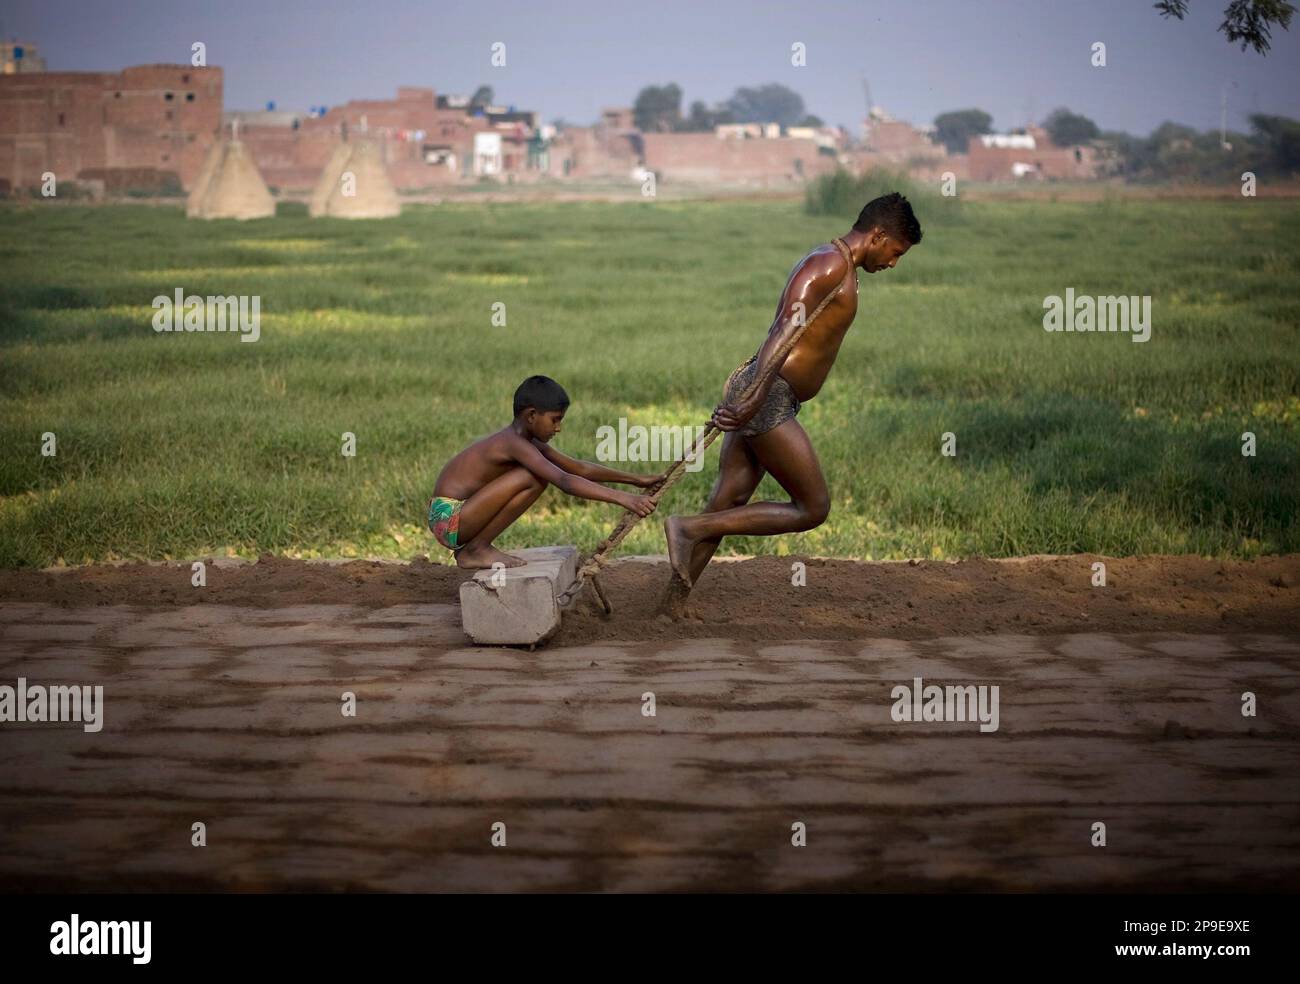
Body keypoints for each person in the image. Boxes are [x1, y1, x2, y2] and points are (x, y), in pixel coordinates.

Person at [664, 192, 923, 598]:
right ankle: (687, 528)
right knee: (812, 507)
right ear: (878, 235)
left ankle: (671, 604)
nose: (893, 262)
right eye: (896, 252)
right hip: (769, 395)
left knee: (728, 501)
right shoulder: (829, 263)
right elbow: (784, 327)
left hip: (769, 392)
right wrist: (756, 393)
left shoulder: (838, 264)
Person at [428, 375, 662, 569]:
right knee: (532, 477)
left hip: (458, 516)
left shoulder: (527, 443)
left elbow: (578, 468)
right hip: (448, 518)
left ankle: (476, 548)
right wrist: (624, 499)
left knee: (536, 477)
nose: (558, 428)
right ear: (531, 416)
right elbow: (565, 481)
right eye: (555, 420)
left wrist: (635, 480)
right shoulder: (513, 444)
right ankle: (476, 549)